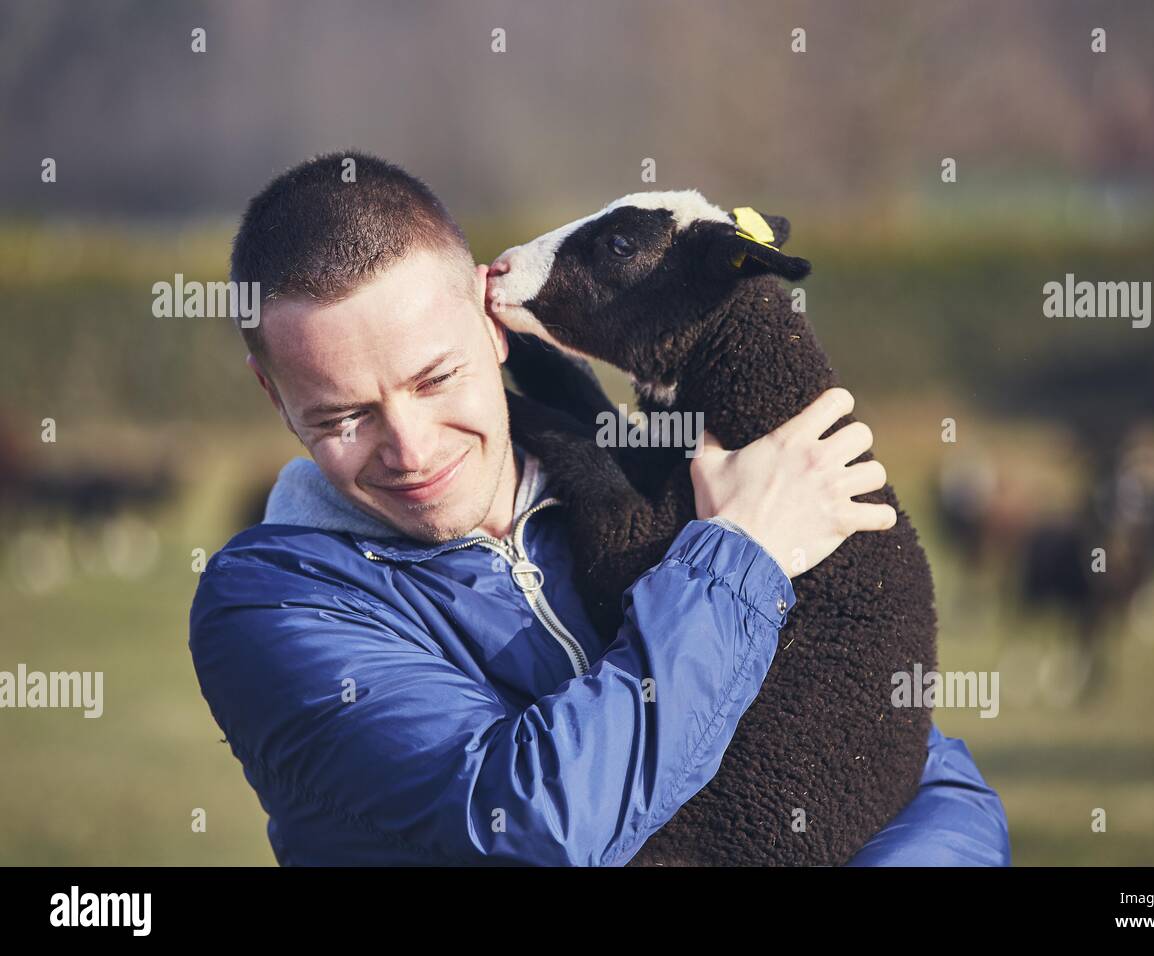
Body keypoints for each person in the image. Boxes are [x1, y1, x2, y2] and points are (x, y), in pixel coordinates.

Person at [188, 152, 1011, 866]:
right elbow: (534, 823)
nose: (410, 448)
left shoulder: (653, 472)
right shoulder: (272, 604)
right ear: (275, 395)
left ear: (494, 321)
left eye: (435, 379)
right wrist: (738, 557)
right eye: (343, 417)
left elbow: (920, 775)